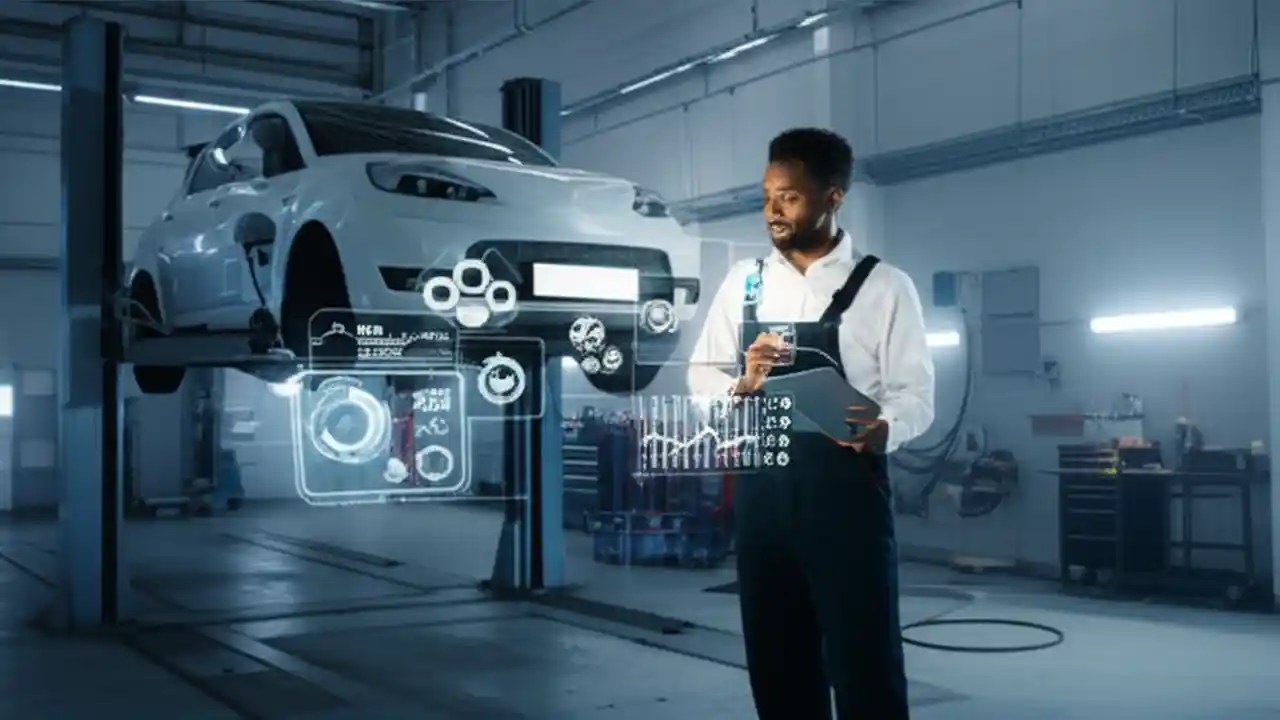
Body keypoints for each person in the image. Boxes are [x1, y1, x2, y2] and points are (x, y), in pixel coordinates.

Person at [687, 127, 935, 719]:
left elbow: (917, 397)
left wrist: (885, 428)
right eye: (768, 195)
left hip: (846, 493)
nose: (773, 210)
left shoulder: (884, 287)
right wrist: (741, 385)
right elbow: (702, 376)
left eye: (790, 197)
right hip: (763, 495)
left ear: (833, 197)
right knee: (776, 661)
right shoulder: (744, 283)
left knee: (863, 659)